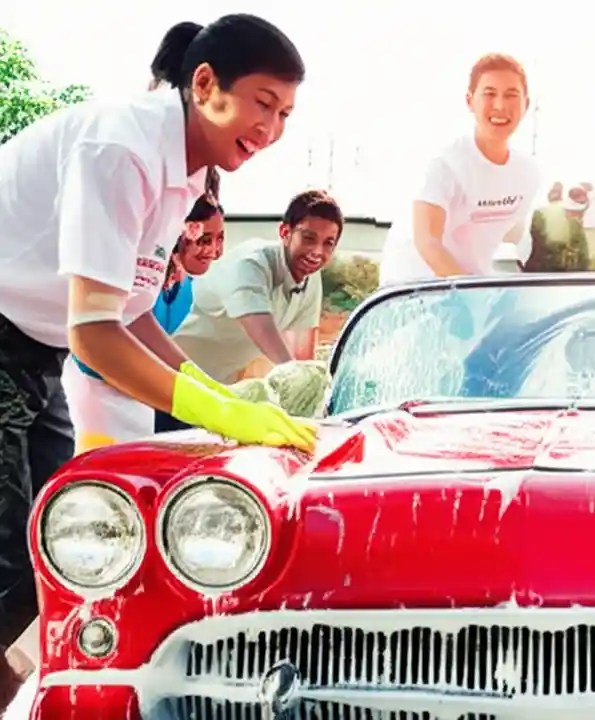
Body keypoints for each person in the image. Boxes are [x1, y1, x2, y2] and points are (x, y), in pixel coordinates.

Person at [0, 13, 316, 701]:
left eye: (286, 114)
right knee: (14, 564)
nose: (271, 129)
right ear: (204, 84)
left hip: (35, 355)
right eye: (263, 103)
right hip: (8, 340)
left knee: (70, 539)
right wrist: (215, 414)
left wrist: (220, 393)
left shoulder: (185, 172)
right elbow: (95, 333)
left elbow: (133, 308)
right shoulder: (123, 149)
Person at [63, 195, 227, 452]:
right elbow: (125, 326)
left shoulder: (185, 290)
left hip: (139, 393)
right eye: (204, 240)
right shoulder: (138, 278)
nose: (214, 251)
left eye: (220, 239)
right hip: (95, 386)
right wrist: (198, 386)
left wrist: (203, 386)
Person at [378, 53, 541, 285]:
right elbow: (428, 242)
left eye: (511, 95)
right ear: (469, 101)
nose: (500, 105)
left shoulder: (528, 174)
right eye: (489, 94)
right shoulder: (444, 164)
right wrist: (470, 292)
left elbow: (506, 239)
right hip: (414, 289)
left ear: (526, 104)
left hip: (471, 286)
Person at [173, 190, 342, 385]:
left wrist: (310, 390)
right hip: (166, 376)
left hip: (215, 387)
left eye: (328, 243)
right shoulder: (250, 264)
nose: (317, 251)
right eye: (308, 238)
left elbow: (303, 357)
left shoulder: (310, 278)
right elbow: (263, 332)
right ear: (285, 233)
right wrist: (298, 382)